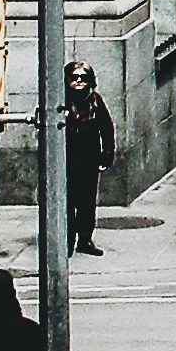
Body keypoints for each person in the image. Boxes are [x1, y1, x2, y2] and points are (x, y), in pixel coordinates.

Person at [63, 58, 118, 262]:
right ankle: (67, 239)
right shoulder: (60, 101)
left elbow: (107, 127)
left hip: (88, 160)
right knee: (67, 202)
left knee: (86, 202)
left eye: (83, 78)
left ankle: (85, 238)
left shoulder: (95, 101)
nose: (78, 82)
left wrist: (108, 152)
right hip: (66, 161)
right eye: (74, 78)